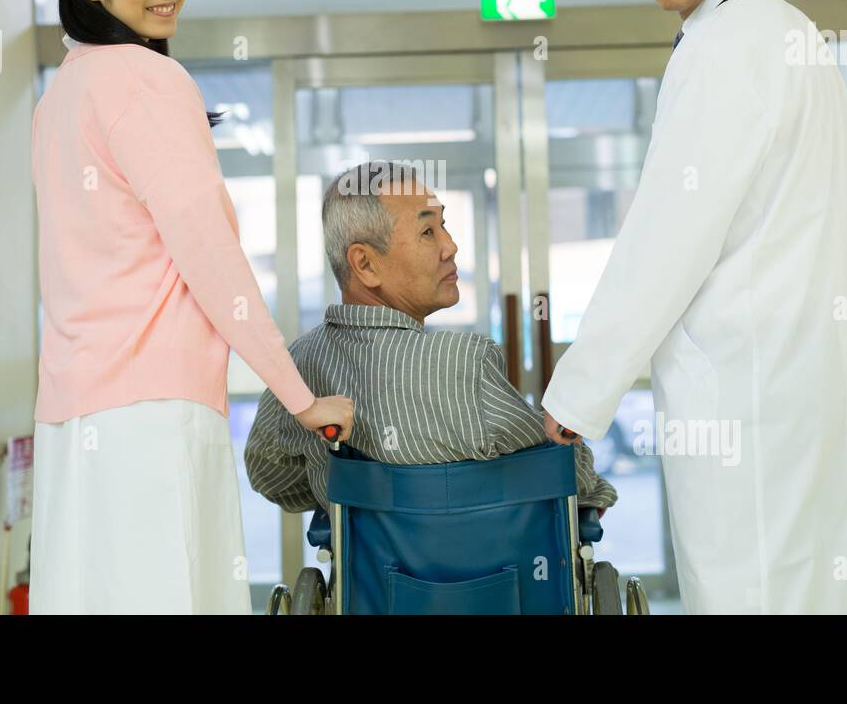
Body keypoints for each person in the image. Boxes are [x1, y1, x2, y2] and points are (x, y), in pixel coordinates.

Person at [541, 0, 847, 614]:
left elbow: (667, 241)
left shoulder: (728, 47)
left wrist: (577, 396)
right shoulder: (787, 32)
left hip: (753, 400)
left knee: (755, 591)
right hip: (800, 387)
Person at [29, 0, 352, 614]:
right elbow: (209, 258)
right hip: (153, 417)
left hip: (72, 419)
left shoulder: (59, 98)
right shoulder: (147, 80)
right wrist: (298, 396)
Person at [246, 162, 615, 513]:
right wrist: (594, 485)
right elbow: (561, 471)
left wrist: (340, 491)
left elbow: (271, 478)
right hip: (492, 572)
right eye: (427, 232)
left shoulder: (299, 365)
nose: (450, 246)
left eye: (443, 226)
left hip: (370, 574)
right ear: (365, 264)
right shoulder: (464, 361)